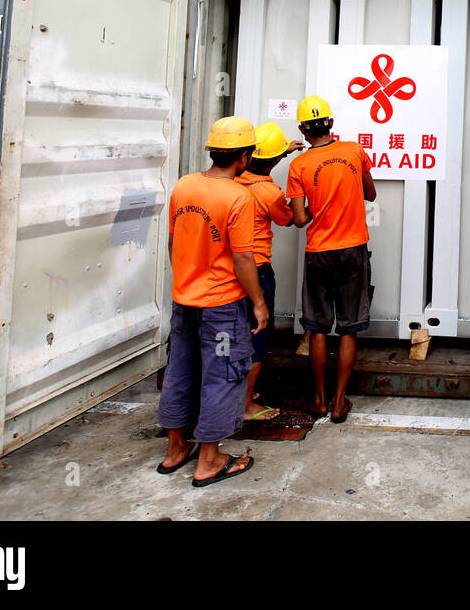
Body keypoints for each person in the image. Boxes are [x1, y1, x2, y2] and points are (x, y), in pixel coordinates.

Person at [156, 116, 269, 487]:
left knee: (180, 369)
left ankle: (175, 450)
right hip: (221, 305)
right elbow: (242, 258)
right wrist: (258, 302)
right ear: (245, 157)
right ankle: (209, 459)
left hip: (184, 300)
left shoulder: (184, 185)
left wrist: (185, 280)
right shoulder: (239, 196)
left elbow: (174, 242)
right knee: (222, 376)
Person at [286, 96, 377, 423]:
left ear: (302, 129)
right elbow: (371, 193)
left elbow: (298, 219)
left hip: (319, 253)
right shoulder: (354, 151)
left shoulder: (299, 166)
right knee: (349, 329)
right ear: (331, 124)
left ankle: (319, 400)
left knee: (319, 328)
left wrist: (316, 206)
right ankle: (340, 403)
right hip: (353, 249)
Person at [236, 122, 306, 421]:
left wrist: (282, 151)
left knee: (233, 331)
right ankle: (246, 405)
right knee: (258, 337)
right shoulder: (269, 192)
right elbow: (290, 219)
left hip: (228, 270)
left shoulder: (231, 181)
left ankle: (232, 394)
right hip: (258, 270)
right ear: (276, 161)